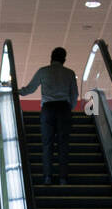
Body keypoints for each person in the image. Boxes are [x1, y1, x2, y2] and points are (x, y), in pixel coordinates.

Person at [18, 47, 79, 185]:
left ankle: (47, 177)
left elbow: (30, 89)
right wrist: (70, 108)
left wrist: (16, 91)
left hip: (48, 109)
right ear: (64, 59)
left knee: (47, 143)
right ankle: (63, 178)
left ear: (51, 57)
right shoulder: (69, 73)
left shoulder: (43, 71)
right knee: (63, 144)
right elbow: (74, 94)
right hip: (64, 108)